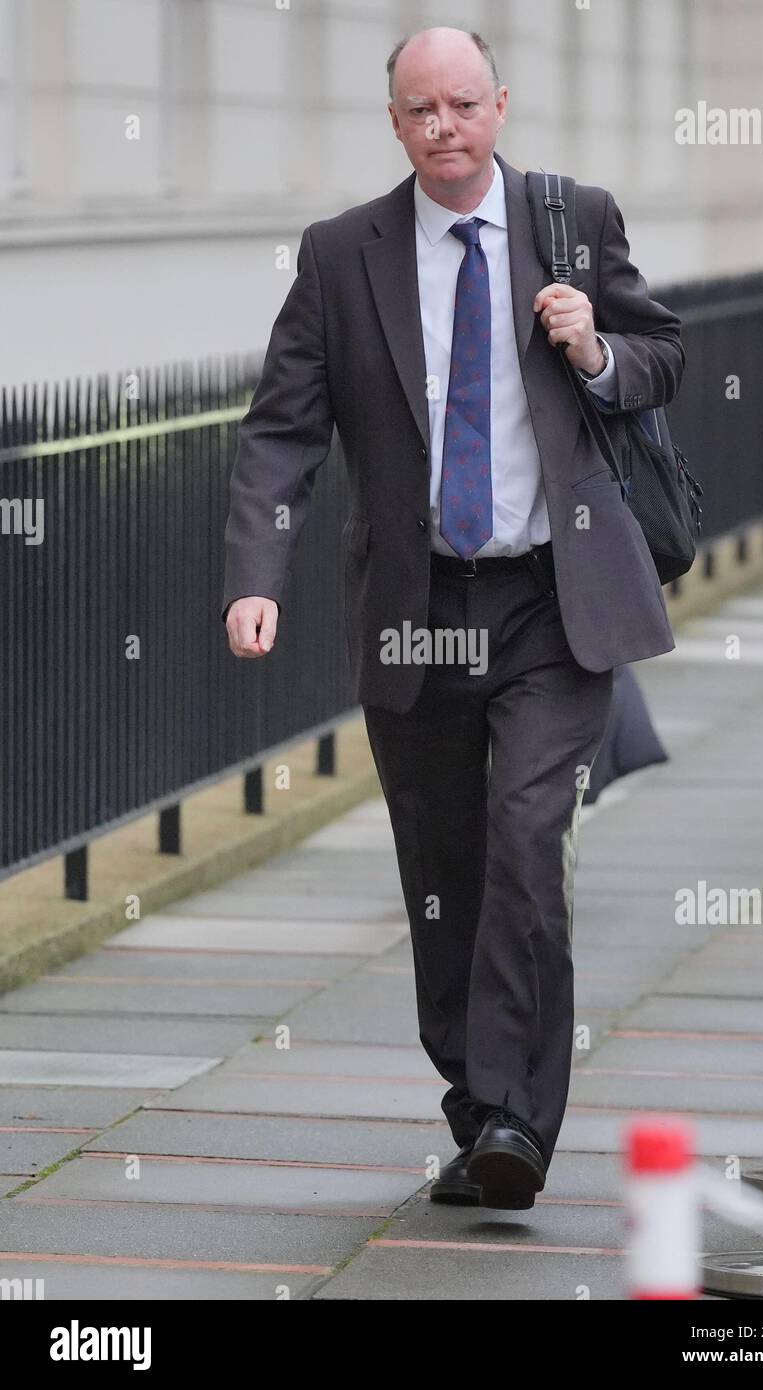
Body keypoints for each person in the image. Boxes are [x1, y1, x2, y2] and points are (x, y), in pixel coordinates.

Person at [222, 26, 684, 1210]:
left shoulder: (572, 216)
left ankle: (520, 1124)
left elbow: (662, 354)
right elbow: (282, 427)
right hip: (419, 607)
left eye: (464, 105)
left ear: (501, 105)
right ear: (395, 122)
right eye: (421, 110)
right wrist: (255, 573)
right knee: (444, 868)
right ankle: (477, 1108)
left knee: (528, 843)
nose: (445, 128)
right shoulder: (341, 256)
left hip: (549, 597)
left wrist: (591, 349)